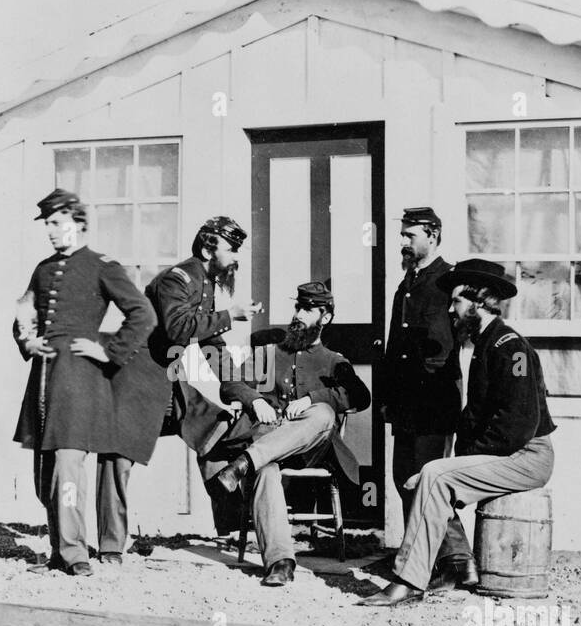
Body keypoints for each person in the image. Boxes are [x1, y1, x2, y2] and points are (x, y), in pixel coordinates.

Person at [361, 260, 556, 605]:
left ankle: (407, 581)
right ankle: (453, 568)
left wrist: (459, 467)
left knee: (435, 474)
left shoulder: (510, 347)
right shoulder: (485, 346)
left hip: (527, 456)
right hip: (511, 453)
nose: (451, 312)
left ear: (479, 301)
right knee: (431, 474)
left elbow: (518, 426)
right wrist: (459, 468)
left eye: (457, 303)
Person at [13, 188, 160, 575]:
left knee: (67, 467)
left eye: (56, 222)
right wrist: (28, 340)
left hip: (78, 381)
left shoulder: (102, 265)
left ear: (78, 224)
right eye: (46, 223)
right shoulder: (43, 269)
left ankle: (75, 555)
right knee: (45, 472)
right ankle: (60, 549)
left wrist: (108, 353)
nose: (49, 230)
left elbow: (143, 315)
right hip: (43, 380)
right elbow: (23, 307)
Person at [204, 282, 370, 586]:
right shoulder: (270, 354)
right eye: (297, 307)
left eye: (307, 309)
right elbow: (229, 385)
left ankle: (241, 464)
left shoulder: (334, 360)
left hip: (313, 449)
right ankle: (280, 561)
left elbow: (360, 396)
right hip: (271, 445)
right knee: (264, 469)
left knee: (323, 413)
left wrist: (313, 398)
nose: (298, 314)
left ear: (326, 317)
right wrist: (254, 400)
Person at [378, 206, 473, 589]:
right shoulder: (408, 281)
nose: (402, 241)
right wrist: (387, 395)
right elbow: (393, 344)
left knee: (425, 482)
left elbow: (450, 344)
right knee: (405, 477)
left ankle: (458, 561)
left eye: (409, 235)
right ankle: (431, 558)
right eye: (402, 234)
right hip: (405, 401)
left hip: (433, 400)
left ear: (432, 236)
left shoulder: (450, 280)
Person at [144, 216, 263, 455]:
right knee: (120, 459)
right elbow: (178, 328)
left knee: (215, 434)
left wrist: (249, 396)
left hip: (166, 379)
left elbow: (213, 345)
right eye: (230, 249)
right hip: (141, 380)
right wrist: (230, 315)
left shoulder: (204, 283)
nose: (236, 257)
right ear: (208, 251)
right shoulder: (177, 279)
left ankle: (225, 488)